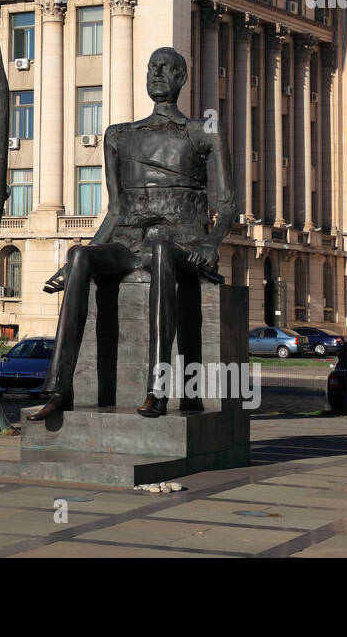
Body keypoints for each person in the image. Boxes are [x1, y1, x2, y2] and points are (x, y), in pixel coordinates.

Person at [29, 47, 236, 420]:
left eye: (166, 67)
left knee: (159, 249)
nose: (156, 73)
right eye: (151, 67)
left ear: (182, 78)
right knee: (78, 255)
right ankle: (59, 388)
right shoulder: (118, 136)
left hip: (182, 244)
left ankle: (157, 390)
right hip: (129, 242)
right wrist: (85, 254)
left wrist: (210, 242)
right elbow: (117, 209)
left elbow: (229, 203)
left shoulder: (202, 131)